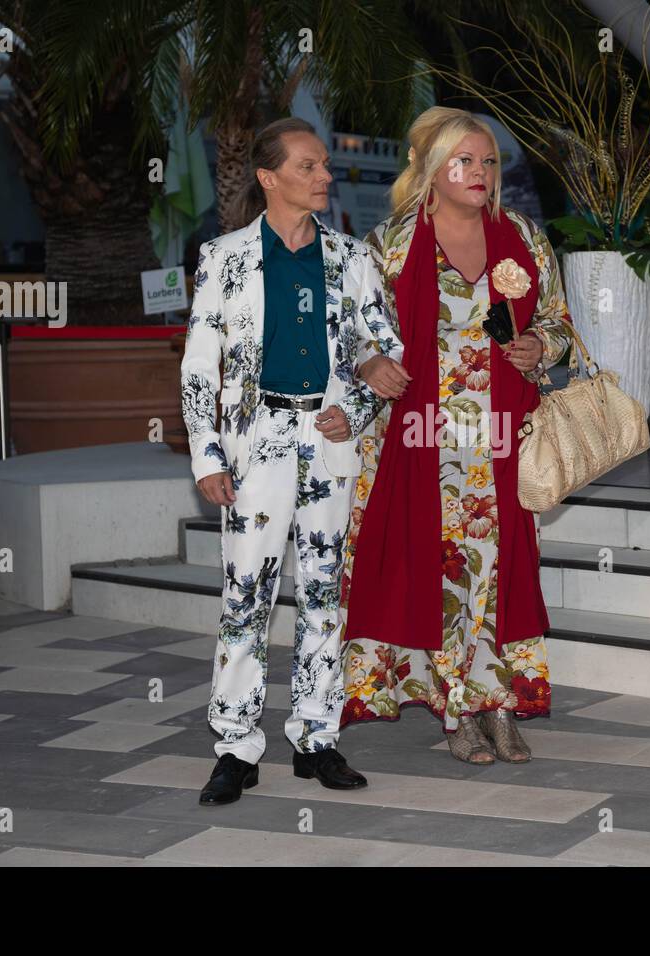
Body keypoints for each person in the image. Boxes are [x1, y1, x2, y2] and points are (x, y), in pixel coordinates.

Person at [339, 107, 574, 764]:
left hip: (499, 437)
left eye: (489, 161)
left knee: (499, 576)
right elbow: (350, 331)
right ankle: (456, 712)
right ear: (431, 171)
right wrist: (370, 362)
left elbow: (558, 321)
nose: (479, 173)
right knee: (438, 576)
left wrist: (537, 345)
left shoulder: (523, 236)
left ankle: (498, 703)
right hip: (417, 443)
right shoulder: (387, 243)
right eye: (464, 161)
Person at [180, 117, 402, 804]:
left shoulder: (352, 257)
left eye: (325, 165)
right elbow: (199, 366)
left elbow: (388, 354)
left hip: (328, 442)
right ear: (269, 178)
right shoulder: (224, 258)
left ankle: (316, 738)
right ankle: (237, 747)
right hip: (255, 446)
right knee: (245, 596)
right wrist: (206, 456)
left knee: (324, 594)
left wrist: (357, 407)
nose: (325, 177)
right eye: (309, 167)